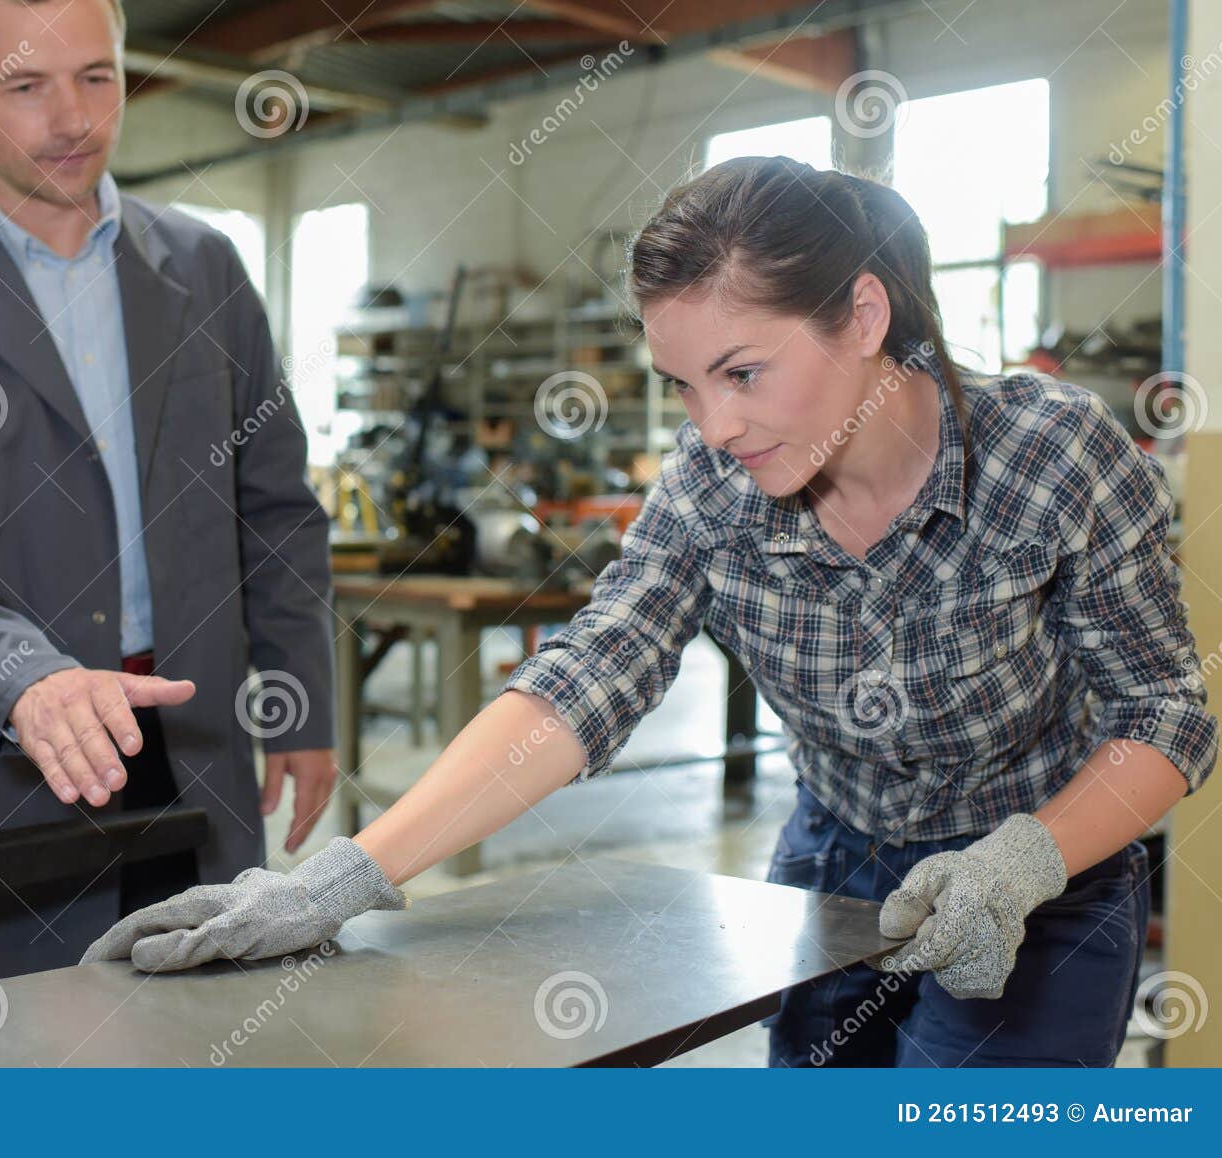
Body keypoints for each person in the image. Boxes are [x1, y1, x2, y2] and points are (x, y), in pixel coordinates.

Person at [81, 156, 1217, 1068]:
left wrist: (1024, 860)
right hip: (835, 869)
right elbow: (590, 673)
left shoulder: (1053, 458)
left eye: (741, 372)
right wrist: (345, 874)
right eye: (682, 384)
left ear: (863, 314)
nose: (712, 424)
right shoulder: (715, 484)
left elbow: (1166, 710)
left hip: (1043, 875)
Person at [0, 0, 336, 977]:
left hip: (195, 744)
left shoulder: (206, 269)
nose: (72, 118)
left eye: (97, 76)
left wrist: (300, 696)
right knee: (15, 1073)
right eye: (24, 85)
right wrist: (25, 678)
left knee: (205, 1039)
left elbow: (275, 505)